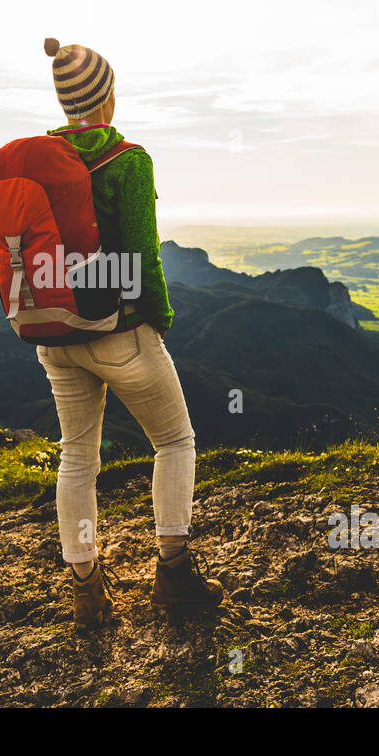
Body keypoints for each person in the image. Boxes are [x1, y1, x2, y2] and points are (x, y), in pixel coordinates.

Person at [36, 37, 224, 629]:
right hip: (119, 330)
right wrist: (156, 322)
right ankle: (173, 576)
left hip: (55, 332)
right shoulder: (127, 160)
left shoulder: (40, 161)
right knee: (174, 442)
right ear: (106, 96)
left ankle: (87, 593)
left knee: (77, 459)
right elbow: (143, 256)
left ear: (67, 104)